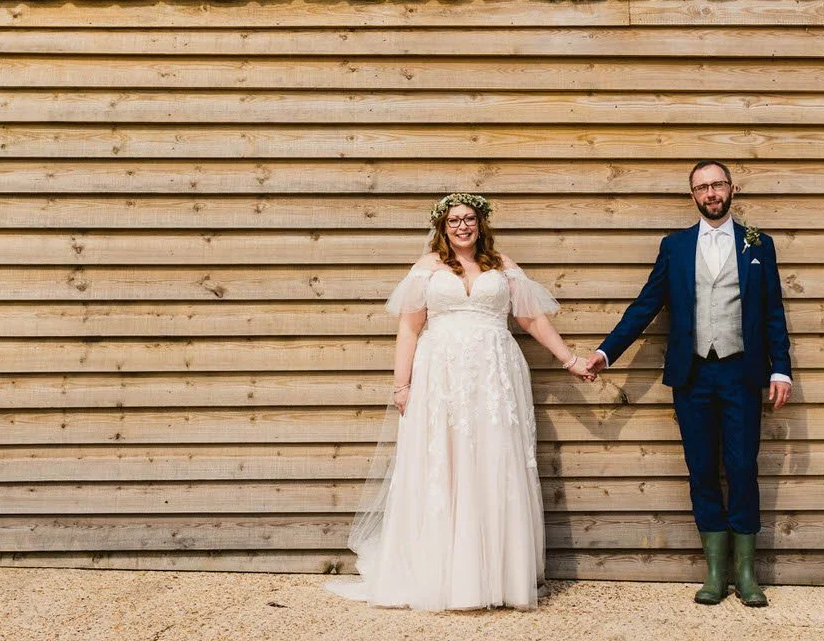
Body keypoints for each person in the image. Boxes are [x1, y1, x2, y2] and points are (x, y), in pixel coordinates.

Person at [328, 192, 596, 611]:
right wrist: (403, 385)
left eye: (469, 218)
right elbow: (410, 329)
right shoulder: (427, 269)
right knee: (443, 464)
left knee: (493, 461)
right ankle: (441, 576)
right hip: (441, 379)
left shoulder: (503, 266)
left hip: (494, 378)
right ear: (442, 225)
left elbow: (531, 318)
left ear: (481, 222)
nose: (462, 226)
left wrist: (570, 359)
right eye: (454, 220)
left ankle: (495, 579)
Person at [586, 160, 792, 607]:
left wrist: (781, 367)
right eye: (702, 187)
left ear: (732, 189)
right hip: (693, 374)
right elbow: (645, 305)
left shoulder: (759, 244)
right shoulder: (675, 247)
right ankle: (715, 572)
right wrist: (605, 353)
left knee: (741, 469)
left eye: (717, 184)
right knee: (701, 470)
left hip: (741, 372)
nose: (711, 193)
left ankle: (746, 573)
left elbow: (773, 310)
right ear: (693, 196)